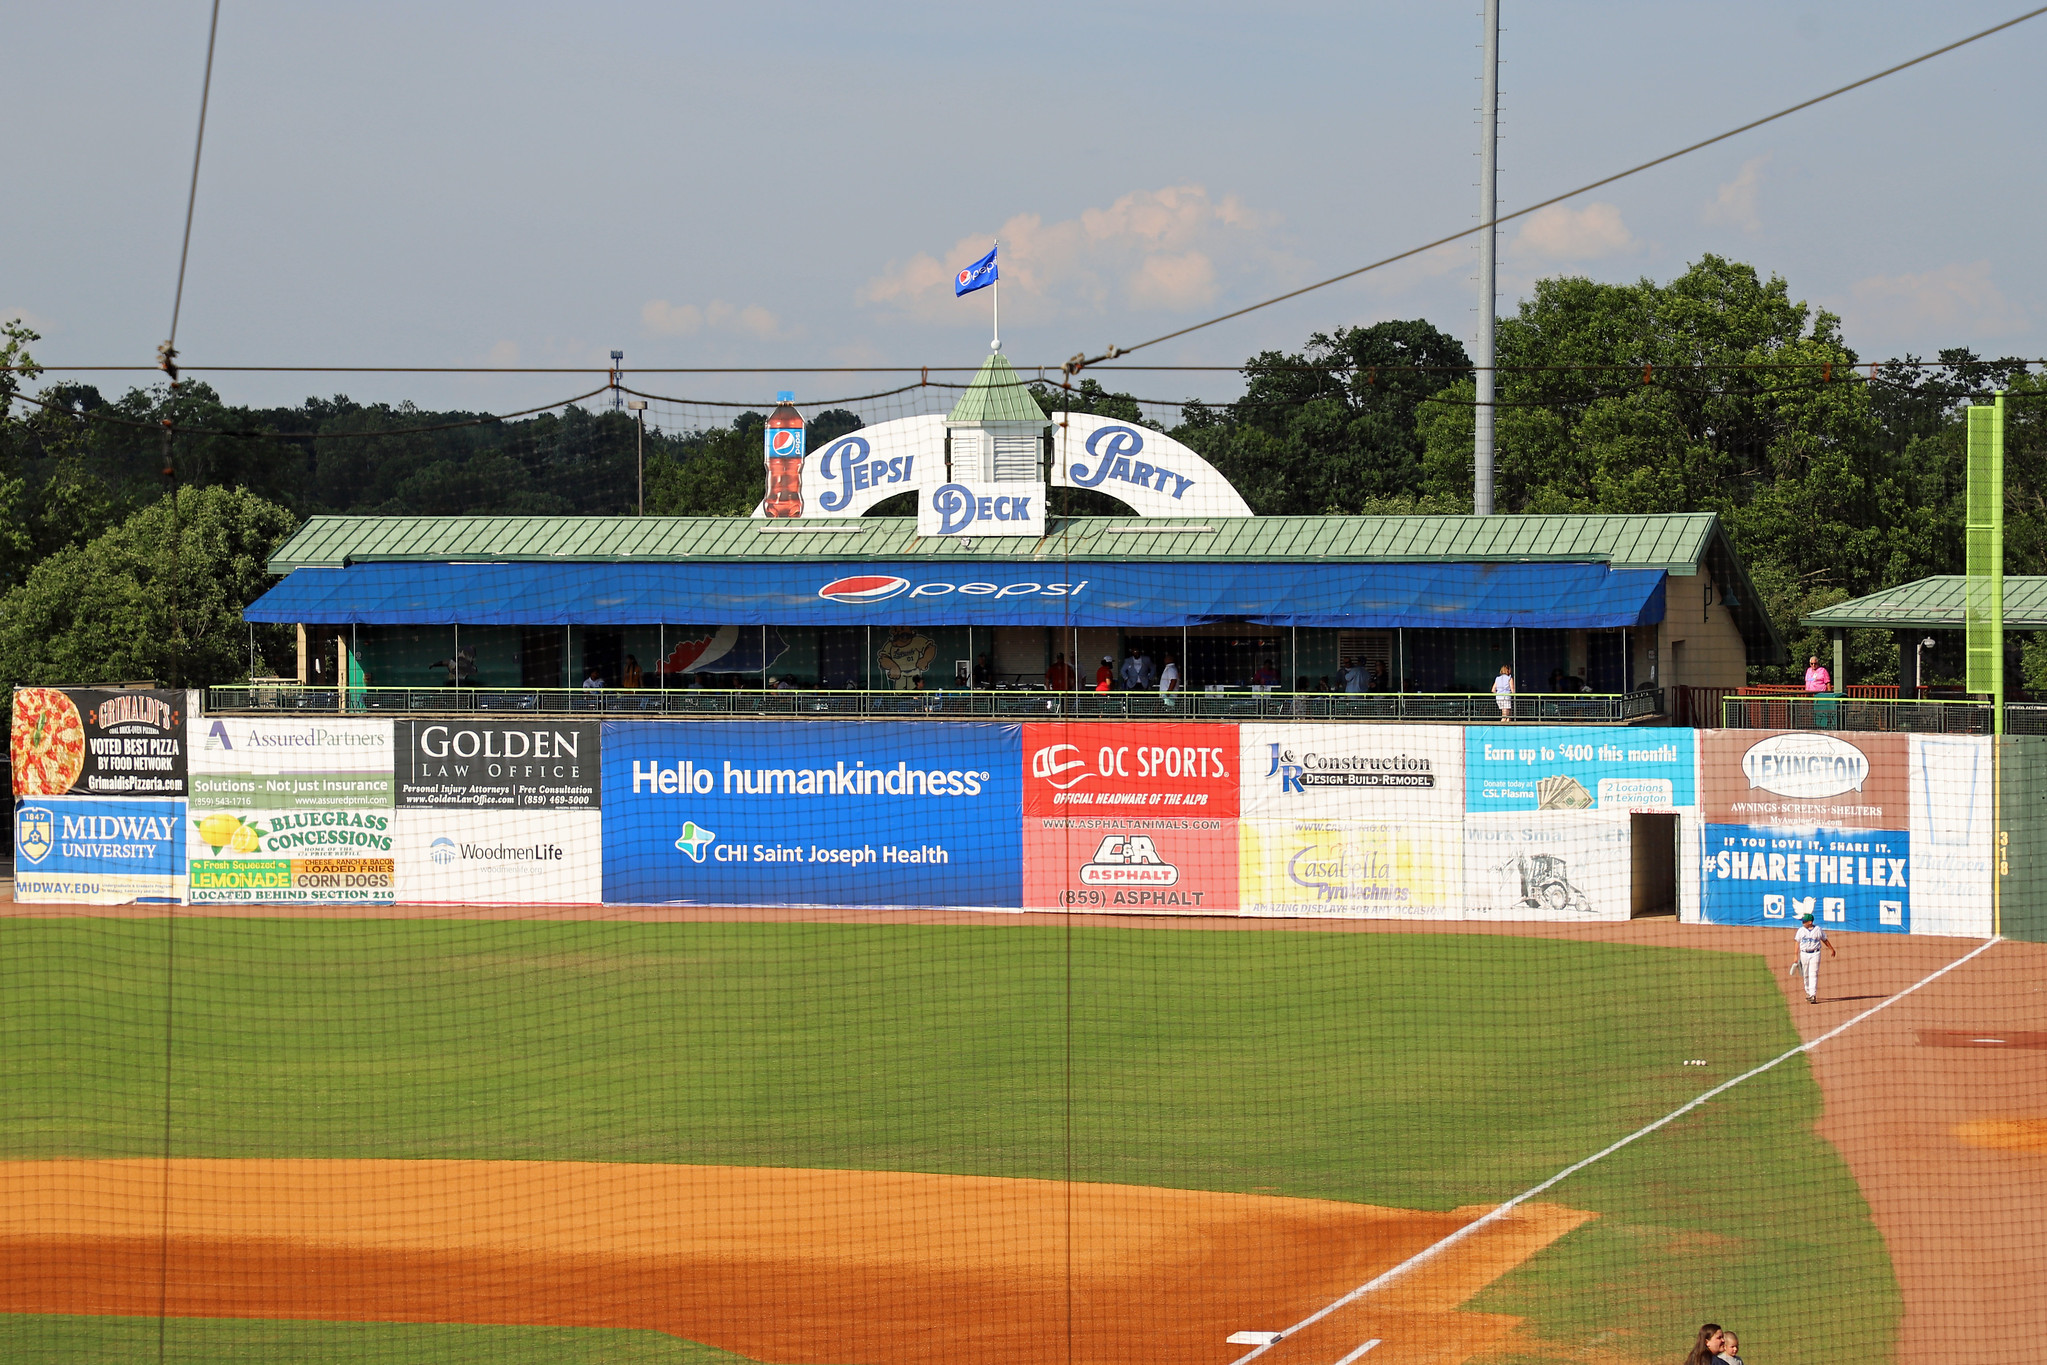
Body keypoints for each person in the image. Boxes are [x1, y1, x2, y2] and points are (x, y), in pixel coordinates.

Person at [1790, 910, 1837, 1004]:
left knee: (1813, 973)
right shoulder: (1801, 930)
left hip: (1815, 954)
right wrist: (1795, 955)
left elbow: (1825, 940)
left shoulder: (1818, 930)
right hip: (1804, 954)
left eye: (1804, 921)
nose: (1803, 923)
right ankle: (1808, 992)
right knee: (1806, 974)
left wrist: (1832, 949)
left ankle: (1813, 994)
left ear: (1810, 922)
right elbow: (1797, 942)